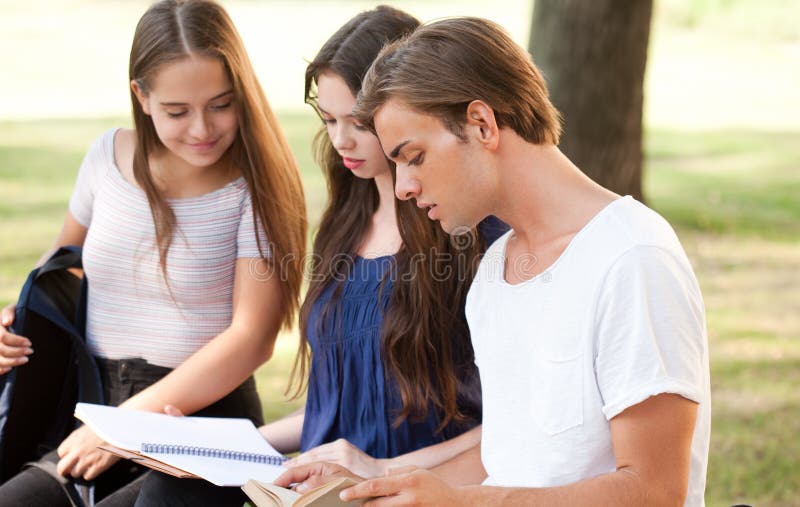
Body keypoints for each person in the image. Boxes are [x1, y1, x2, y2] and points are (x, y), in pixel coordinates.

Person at [276, 16, 711, 507]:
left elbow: (654, 491)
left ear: (481, 124)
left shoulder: (632, 257)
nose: (402, 187)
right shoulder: (496, 270)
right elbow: (505, 458)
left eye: (413, 156)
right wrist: (381, 476)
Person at [131, 5, 506, 506]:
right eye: (328, 119)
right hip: (315, 488)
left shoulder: (473, 233)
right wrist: (221, 446)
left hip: (410, 490)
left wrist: (382, 470)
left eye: (357, 122)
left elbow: (515, 421)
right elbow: (339, 413)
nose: (339, 140)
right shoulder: (346, 223)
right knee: (164, 488)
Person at [0, 0, 306, 505]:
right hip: (94, 409)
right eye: (177, 111)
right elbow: (63, 259)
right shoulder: (106, 156)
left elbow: (253, 338)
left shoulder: (255, 188)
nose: (203, 129)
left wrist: (126, 424)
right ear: (141, 97)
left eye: (221, 104)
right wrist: (16, 317)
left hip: (201, 427)